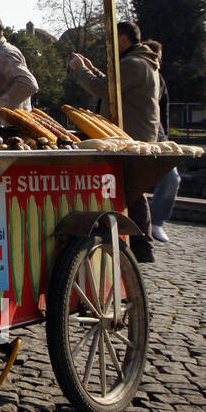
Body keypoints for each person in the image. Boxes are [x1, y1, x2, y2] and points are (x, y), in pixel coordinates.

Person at [69, 21, 160, 262]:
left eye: (111, 39)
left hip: (130, 136)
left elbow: (103, 89)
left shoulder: (134, 64)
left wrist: (80, 71)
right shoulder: (139, 63)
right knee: (131, 188)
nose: (108, 45)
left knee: (132, 190)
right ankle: (137, 244)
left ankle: (142, 246)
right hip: (134, 134)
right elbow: (114, 86)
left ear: (123, 39)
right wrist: (93, 69)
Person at [144, 39, 178, 242]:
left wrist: (165, 138)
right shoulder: (139, 73)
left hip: (158, 136)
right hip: (137, 135)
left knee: (172, 178)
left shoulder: (160, 80)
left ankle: (157, 222)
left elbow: (162, 111)